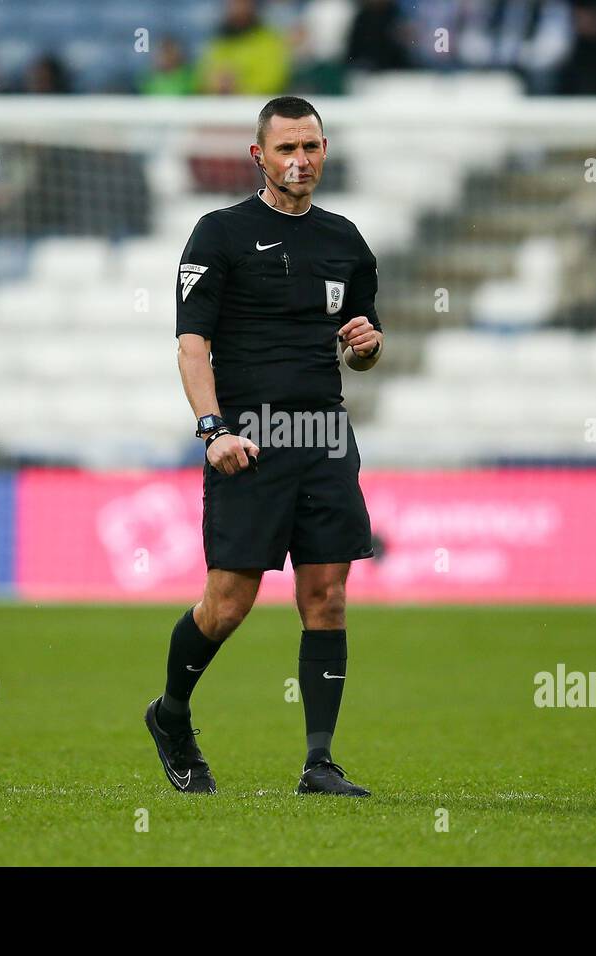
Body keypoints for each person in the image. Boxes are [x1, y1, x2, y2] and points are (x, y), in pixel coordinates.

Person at [147, 96, 382, 797]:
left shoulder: (347, 240)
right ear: (259, 156)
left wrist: (367, 349)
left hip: (324, 436)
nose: (299, 161)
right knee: (227, 604)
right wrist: (212, 429)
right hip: (248, 438)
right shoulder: (218, 233)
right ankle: (171, 715)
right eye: (285, 149)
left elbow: (363, 351)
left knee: (327, 597)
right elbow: (193, 348)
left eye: (310, 147)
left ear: (325, 149)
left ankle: (319, 763)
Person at [195, 0, 290, 95]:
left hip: (255, 104)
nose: (239, 9)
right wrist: (214, 85)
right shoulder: (218, 40)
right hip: (217, 104)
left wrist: (239, 88)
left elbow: (273, 80)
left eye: (244, 4)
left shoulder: (269, 38)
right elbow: (202, 75)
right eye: (234, 4)